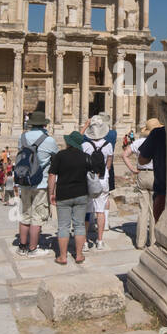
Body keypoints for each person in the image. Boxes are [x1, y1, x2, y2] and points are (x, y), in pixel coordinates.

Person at [16, 111, 60, 258]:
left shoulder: (22, 138)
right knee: (37, 217)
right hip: (41, 183)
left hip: (24, 181)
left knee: (24, 214)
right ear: (44, 124)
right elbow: (56, 158)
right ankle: (33, 248)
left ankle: (22, 246)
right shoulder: (49, 140)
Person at [48, 131, 91, 265]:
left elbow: (52, 175)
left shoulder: (60, 155)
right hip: (81, 194)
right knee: (79, 225)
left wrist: (51, 193)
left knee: (63, 226)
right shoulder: (85, 156)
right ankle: (79, 255)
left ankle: (62, 257)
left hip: (64, 194)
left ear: (68, 142)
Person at [82, 114, 114, 249]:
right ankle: (99, 241)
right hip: (102, 180)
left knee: (87, 211)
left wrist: (84, 126)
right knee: (100, 211)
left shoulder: (85, 145)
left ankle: (84, 242)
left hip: (88, 180)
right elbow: (108, 165)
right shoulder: (108, 146)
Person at [130, 117, 167, 222]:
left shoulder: (157, 134)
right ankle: (153, 238)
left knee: (144, 209)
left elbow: (141, 160)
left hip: (153, 178)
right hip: (158, 178)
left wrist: (133, 169)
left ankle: (141, 239)